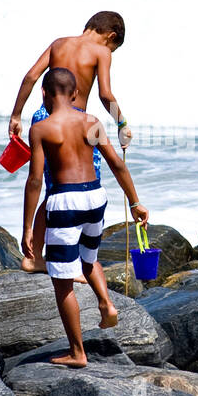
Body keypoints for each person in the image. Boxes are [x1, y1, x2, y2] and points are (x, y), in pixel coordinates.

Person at [23, 67, 148, 368]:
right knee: (87, 259)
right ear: (76, 93)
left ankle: (77, 352)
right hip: (96, 197)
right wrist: (135, 202)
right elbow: (116, 164)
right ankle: (106, 304)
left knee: (62, 281)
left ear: (44, 94)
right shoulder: (91, 122)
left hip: (65, 200)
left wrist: (28, 228)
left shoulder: (42, 129)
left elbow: (35, 181)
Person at [9, 10, 132, 272]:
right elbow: (105, 94)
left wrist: (16, 114)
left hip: (44, 118)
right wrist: (121, 123)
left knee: (53, 191)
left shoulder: (58, 44)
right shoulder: (101, 52)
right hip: (75, 123)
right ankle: (64, 258)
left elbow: (31, 77)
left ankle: (36, 255)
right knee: (82, 187)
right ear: (110, 36)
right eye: (113, 46)